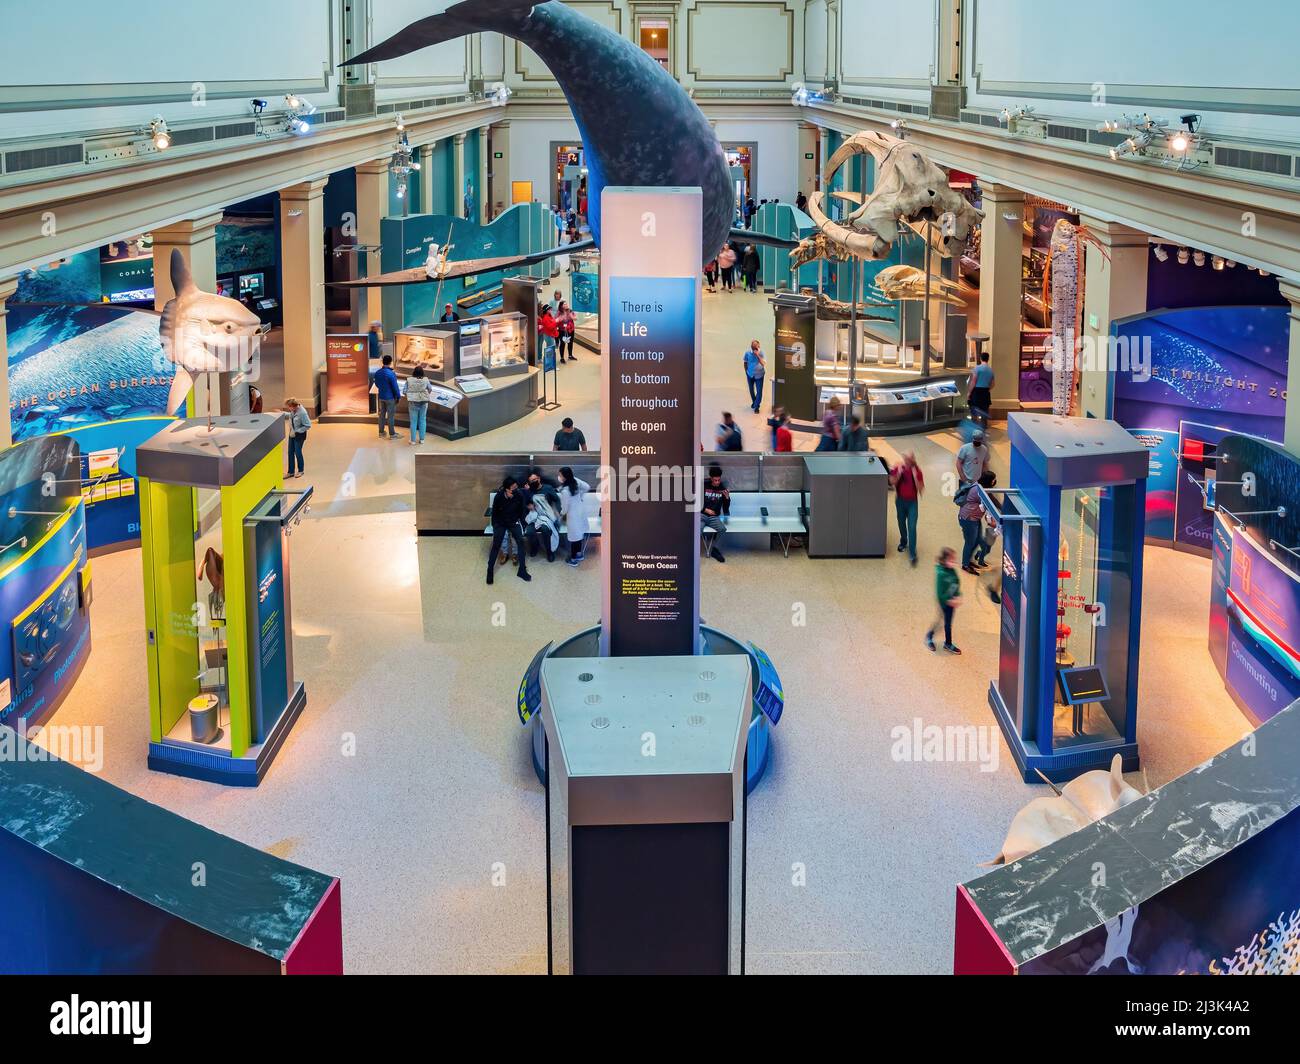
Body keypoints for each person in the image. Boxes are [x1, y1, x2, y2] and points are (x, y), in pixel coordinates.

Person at [487, 477, 532, 585]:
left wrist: (523, 524)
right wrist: (495, 525)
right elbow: (495, 513)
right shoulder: (499, 496)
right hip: (500, 523)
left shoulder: (519, 495)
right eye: (513, 488)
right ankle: (489, 570)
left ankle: (522, 570)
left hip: (513, 522)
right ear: (506, 489)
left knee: (520, 542)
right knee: (496, 545)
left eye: (516, 487)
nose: (516, 490)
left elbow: (522, 511)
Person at [925, 547, 963, 655]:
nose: (953, 563)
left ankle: (948, 643)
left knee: (948, 624)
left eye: (954, 560)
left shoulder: (952, 571)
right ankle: (929, 636)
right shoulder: (941, 574)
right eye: (951, 560)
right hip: (944, 604)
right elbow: (939, 593)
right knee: (940, 622)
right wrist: (948, 601)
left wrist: (958, 596)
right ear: (944, 560)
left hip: (952, 602)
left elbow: (956, 582)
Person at [890, 451, 925, 566]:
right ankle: (903, 541)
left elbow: (921, 490)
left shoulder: (917, 471)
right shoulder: (898, 467)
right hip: (900, 501)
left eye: (911, 459)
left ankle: (912, 553)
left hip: (912, 503)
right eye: (907, 459)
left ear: (913, 459)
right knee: (901, 522)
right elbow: (891, 481)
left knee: (912, 526)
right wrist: (899, 474)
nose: (908, 461)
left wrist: (916, 479)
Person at [523, 468, 561, 563]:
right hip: (534, 515)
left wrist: (557, 512)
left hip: (546, 515)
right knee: (529, 531)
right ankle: (535, 547)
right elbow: (525, 503)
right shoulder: (529, 491)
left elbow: (556, 500)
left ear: (539, 478)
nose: (534, 482)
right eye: (531, 481)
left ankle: (549, 552)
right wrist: (527, 493)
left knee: (545, 529)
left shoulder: (547, 488)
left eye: (535, 479)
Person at [558, 466, 591, 566]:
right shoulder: (575, 481)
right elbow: (587, 487)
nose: (558, 477)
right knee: (579, 534)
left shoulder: (565, 491)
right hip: (580, 512)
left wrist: (561, 514)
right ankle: (579, 554)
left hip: (572, 516)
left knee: (573, 538)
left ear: (564, 477)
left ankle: (572, 559)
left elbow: (564, 509)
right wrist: (580, 496)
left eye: (560, 475)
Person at [701, 464, 730, 563]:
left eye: (719, 480)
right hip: (702, 515)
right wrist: (705, 510)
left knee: (722, 529)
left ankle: (713, 549)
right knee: (697, 530)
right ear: (711, 478)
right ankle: (691, 551)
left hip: (714, 517)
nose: (717, 482)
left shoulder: (722, 488)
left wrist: (727, 498)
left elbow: (726, 508)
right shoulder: (704, 486)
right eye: (715, 480)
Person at [958, 482, 988, 574]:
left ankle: (969, 561)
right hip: (968, 519)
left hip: (975, 519)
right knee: (970, 542)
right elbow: (989, 503)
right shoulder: (979, 491)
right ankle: (965, 565)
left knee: (977, 540)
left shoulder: (979, 487)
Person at [372, 354, 401, 440]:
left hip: (381, 396)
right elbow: (395, 387)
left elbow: (377, 384)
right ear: (390, 362)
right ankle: (392, 434)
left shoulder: (377, 373)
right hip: (390, 398)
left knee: (382, 415)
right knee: (390, 416)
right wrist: (398, 396)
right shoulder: (391, 374)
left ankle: (381, 432)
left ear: (383, 362)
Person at [403, 365, 433, 445]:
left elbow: (404, 391)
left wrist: (410, 396)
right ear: (422, 372)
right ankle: (422, 439)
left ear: (414, 372)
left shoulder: (409, 380)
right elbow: (430, 389)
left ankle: (413, 440)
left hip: (412, 402)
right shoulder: (426, 379)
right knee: (422, 420)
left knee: (413, 421)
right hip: (424, 402)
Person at [284, 398, 310, 479]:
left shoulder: (302, 413)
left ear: (294, 406)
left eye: (289, 407)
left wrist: (297, 431)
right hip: (292, 434)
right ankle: (290, 472)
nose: (289, 408)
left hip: (299, 435)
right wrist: (281, 413)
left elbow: (308, 425)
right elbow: (290, 416)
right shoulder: (293, 411)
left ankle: (300, 470)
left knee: (298, 452)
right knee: (290, 452)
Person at [968, 352, 995, 428]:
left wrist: (969, 393)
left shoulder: (976, 368)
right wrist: (987, 389)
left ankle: (974, 425)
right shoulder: (990, 370)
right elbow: (993, 384)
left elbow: (973, 381)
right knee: (985, 409)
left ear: (980, 358)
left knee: (974, 408)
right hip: (986, 392)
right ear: (988, 359)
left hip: (976, 391)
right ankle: (984, 426)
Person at [743, 340, 766, 414]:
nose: (756, 347)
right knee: (751, 390)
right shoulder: (747, 353)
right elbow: (745, 362)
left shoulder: (761, 353)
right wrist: (746, 372)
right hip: (750, 375)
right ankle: (755, 402)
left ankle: (756, 407)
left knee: (759, 392)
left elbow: (763, 364)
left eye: (757, 346)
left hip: (759, 375)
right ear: (752, 347)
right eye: (754, 346)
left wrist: (757, 355)